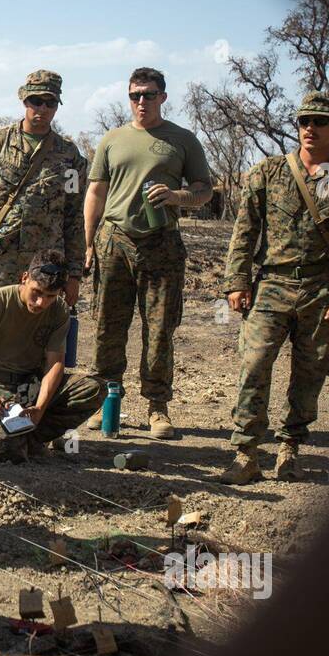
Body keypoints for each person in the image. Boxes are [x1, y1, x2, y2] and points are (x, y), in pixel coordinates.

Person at [218, 91, 329, 485]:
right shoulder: (268, 172)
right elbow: (244, 232)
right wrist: (236, 281)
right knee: (253, 365)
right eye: (305, 121)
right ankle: (246, 453)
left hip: (323, 290)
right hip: (272, 283)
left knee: (310, 372)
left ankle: (290, 448)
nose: (311, 128)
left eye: (320, 121)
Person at [83, 67, 213, 439]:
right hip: (114, 240)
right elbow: (95, 193)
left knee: (159, 329)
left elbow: (205, 190)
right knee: (108, 325)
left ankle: (158, 407)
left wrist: (176, 197)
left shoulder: (183, 140)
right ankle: (105, 403)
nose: (142, 101)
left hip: (162, 242)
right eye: (135, 95)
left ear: (163, 97)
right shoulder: (112, 139)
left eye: (150, 94)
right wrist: (89, 243)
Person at [0, 249, 104, 463]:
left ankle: (27, 437)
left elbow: (55, 363)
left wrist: (39, 409)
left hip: (32, 382)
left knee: (93, 389)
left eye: (51, 296)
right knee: (2, 454)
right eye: (37, 292)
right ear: (24, 278)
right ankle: (0, 435)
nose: (41, 302)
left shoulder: (59, 310)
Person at [0, 70, 87, 305]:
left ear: (57, 106)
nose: (42, 108)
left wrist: (74, 274)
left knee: (38, 333)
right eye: (36, 101)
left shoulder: (70, 156)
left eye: (49, 102)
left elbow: (73, 217)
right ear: (24, 100)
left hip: (46, 265)